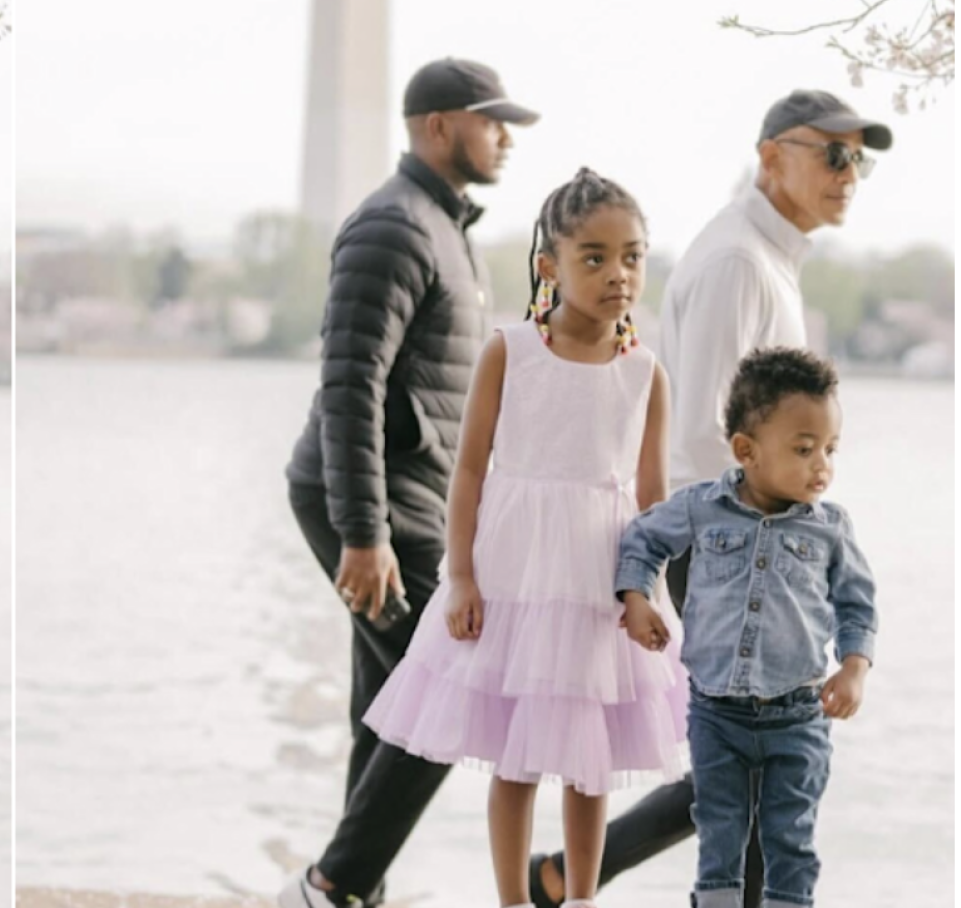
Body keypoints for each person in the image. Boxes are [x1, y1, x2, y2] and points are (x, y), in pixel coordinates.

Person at [527, 89, 893, 908]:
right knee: (757, 765)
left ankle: (563, 876)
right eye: (833, 153)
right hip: (730, 545)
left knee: (753, 761)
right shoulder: (737, 262)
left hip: (761, 539)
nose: (849, 173)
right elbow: (709, 431)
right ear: (771, 157)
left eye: (859, 160)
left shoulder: (765, 257)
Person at [358, 169, 688, 908]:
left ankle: (581, 897)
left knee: (591, 763)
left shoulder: (645, 373)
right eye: (595, 257)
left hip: (599, 584)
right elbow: (470, 471)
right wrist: (461, 577)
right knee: (518, 759)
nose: (618, 274)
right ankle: (511, 900)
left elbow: (653, 502)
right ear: (550, 265)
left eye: (632, 256)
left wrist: (644, 594)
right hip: (517, 579)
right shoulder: (510, 353)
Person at [279, 58, 538, 908]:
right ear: (437, 125)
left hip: (416, 505)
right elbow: (348, 384)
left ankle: (355, 889)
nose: (505, 137)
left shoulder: (446, 229)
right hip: (369, 504)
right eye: (491, 120)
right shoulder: (392, 228)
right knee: (459, 684)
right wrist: (365, 534)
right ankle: (331, 888)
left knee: (392, 702)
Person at [615, 347, 876, 908]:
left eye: (830, 449)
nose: (822, 465)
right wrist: (636, 598)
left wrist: (854, 668)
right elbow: (643, 538)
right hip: (716, 714)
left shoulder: (831, 529)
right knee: (719, 835)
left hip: (798, 716)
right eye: (804, 449)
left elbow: (857, 605)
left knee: (790, 840)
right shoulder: (702, 508)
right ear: (745, 451)